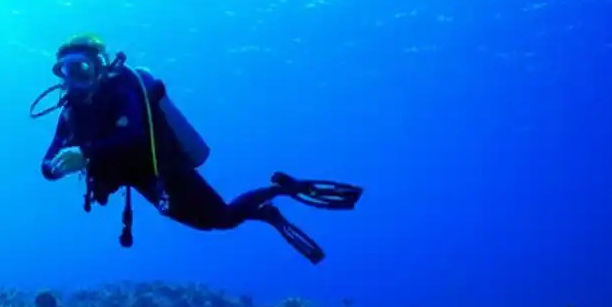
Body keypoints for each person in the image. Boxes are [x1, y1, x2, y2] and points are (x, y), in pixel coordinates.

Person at [30, 34, 363, 264]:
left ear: (99, 66)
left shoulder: (122, 93)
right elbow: (47, 163)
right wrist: (55, 168)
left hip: (163, 168)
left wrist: (85, 154)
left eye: (81, 68)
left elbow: (132, 136)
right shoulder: (71, 112)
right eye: (65, 70)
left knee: (223, 218)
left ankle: (282, 190)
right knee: (206, 224)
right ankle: (266, 208)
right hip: (138, 179)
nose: (73, 78)